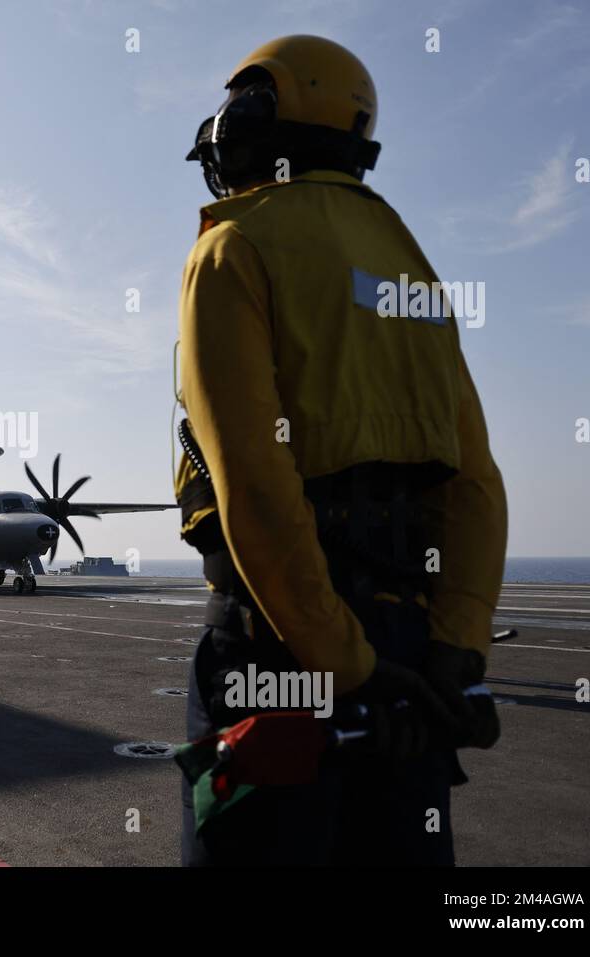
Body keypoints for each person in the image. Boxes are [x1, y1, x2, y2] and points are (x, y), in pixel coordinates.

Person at [174, 35, 507, 866]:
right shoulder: (414, 272)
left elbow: (254, 482)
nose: (228, 123)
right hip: (410, 658)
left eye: (250, 101)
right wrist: (454, 650)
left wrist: (340, 665)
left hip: (279, 648)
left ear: (288, 114)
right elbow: (475, 485)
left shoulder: (232, 247)